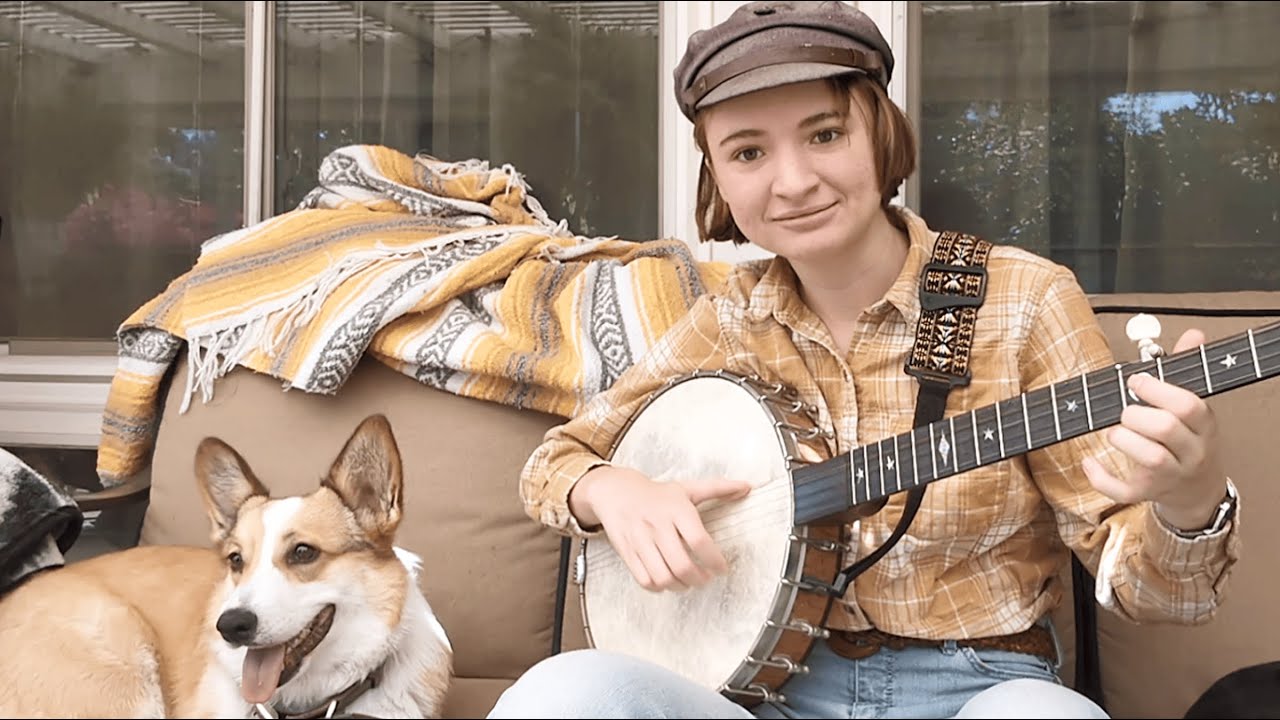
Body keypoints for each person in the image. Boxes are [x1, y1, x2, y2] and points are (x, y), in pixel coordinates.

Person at [488, 2, 1241, 718]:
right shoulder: (731, 316)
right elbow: (555, 461)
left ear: (880, 133)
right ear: (716, 176)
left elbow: (1156, 596)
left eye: (824, 135)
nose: (793, 181)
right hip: (763, 693)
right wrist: (610, 489)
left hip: (982, 688)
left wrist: (1188, 498)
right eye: (748, 152)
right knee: (563, 691)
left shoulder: (1023, 301)